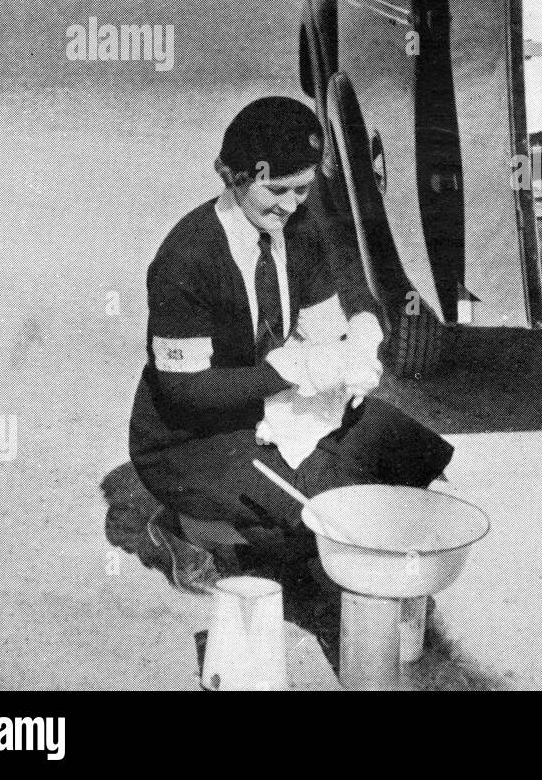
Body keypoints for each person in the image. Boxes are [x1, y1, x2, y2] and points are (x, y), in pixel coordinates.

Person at [130, 96, 454, 592]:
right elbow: (185, 393)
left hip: (268, 405)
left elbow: (328, 313)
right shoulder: (187, 259)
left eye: (302, 190)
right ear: (231, 176)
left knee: (408, 452)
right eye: (276, 189)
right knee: (327, 519)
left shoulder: (295, 228)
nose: (290, 204)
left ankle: (265, 516)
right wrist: (297, 369)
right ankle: (183, 526)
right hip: (192, 436)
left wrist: (360, 334)